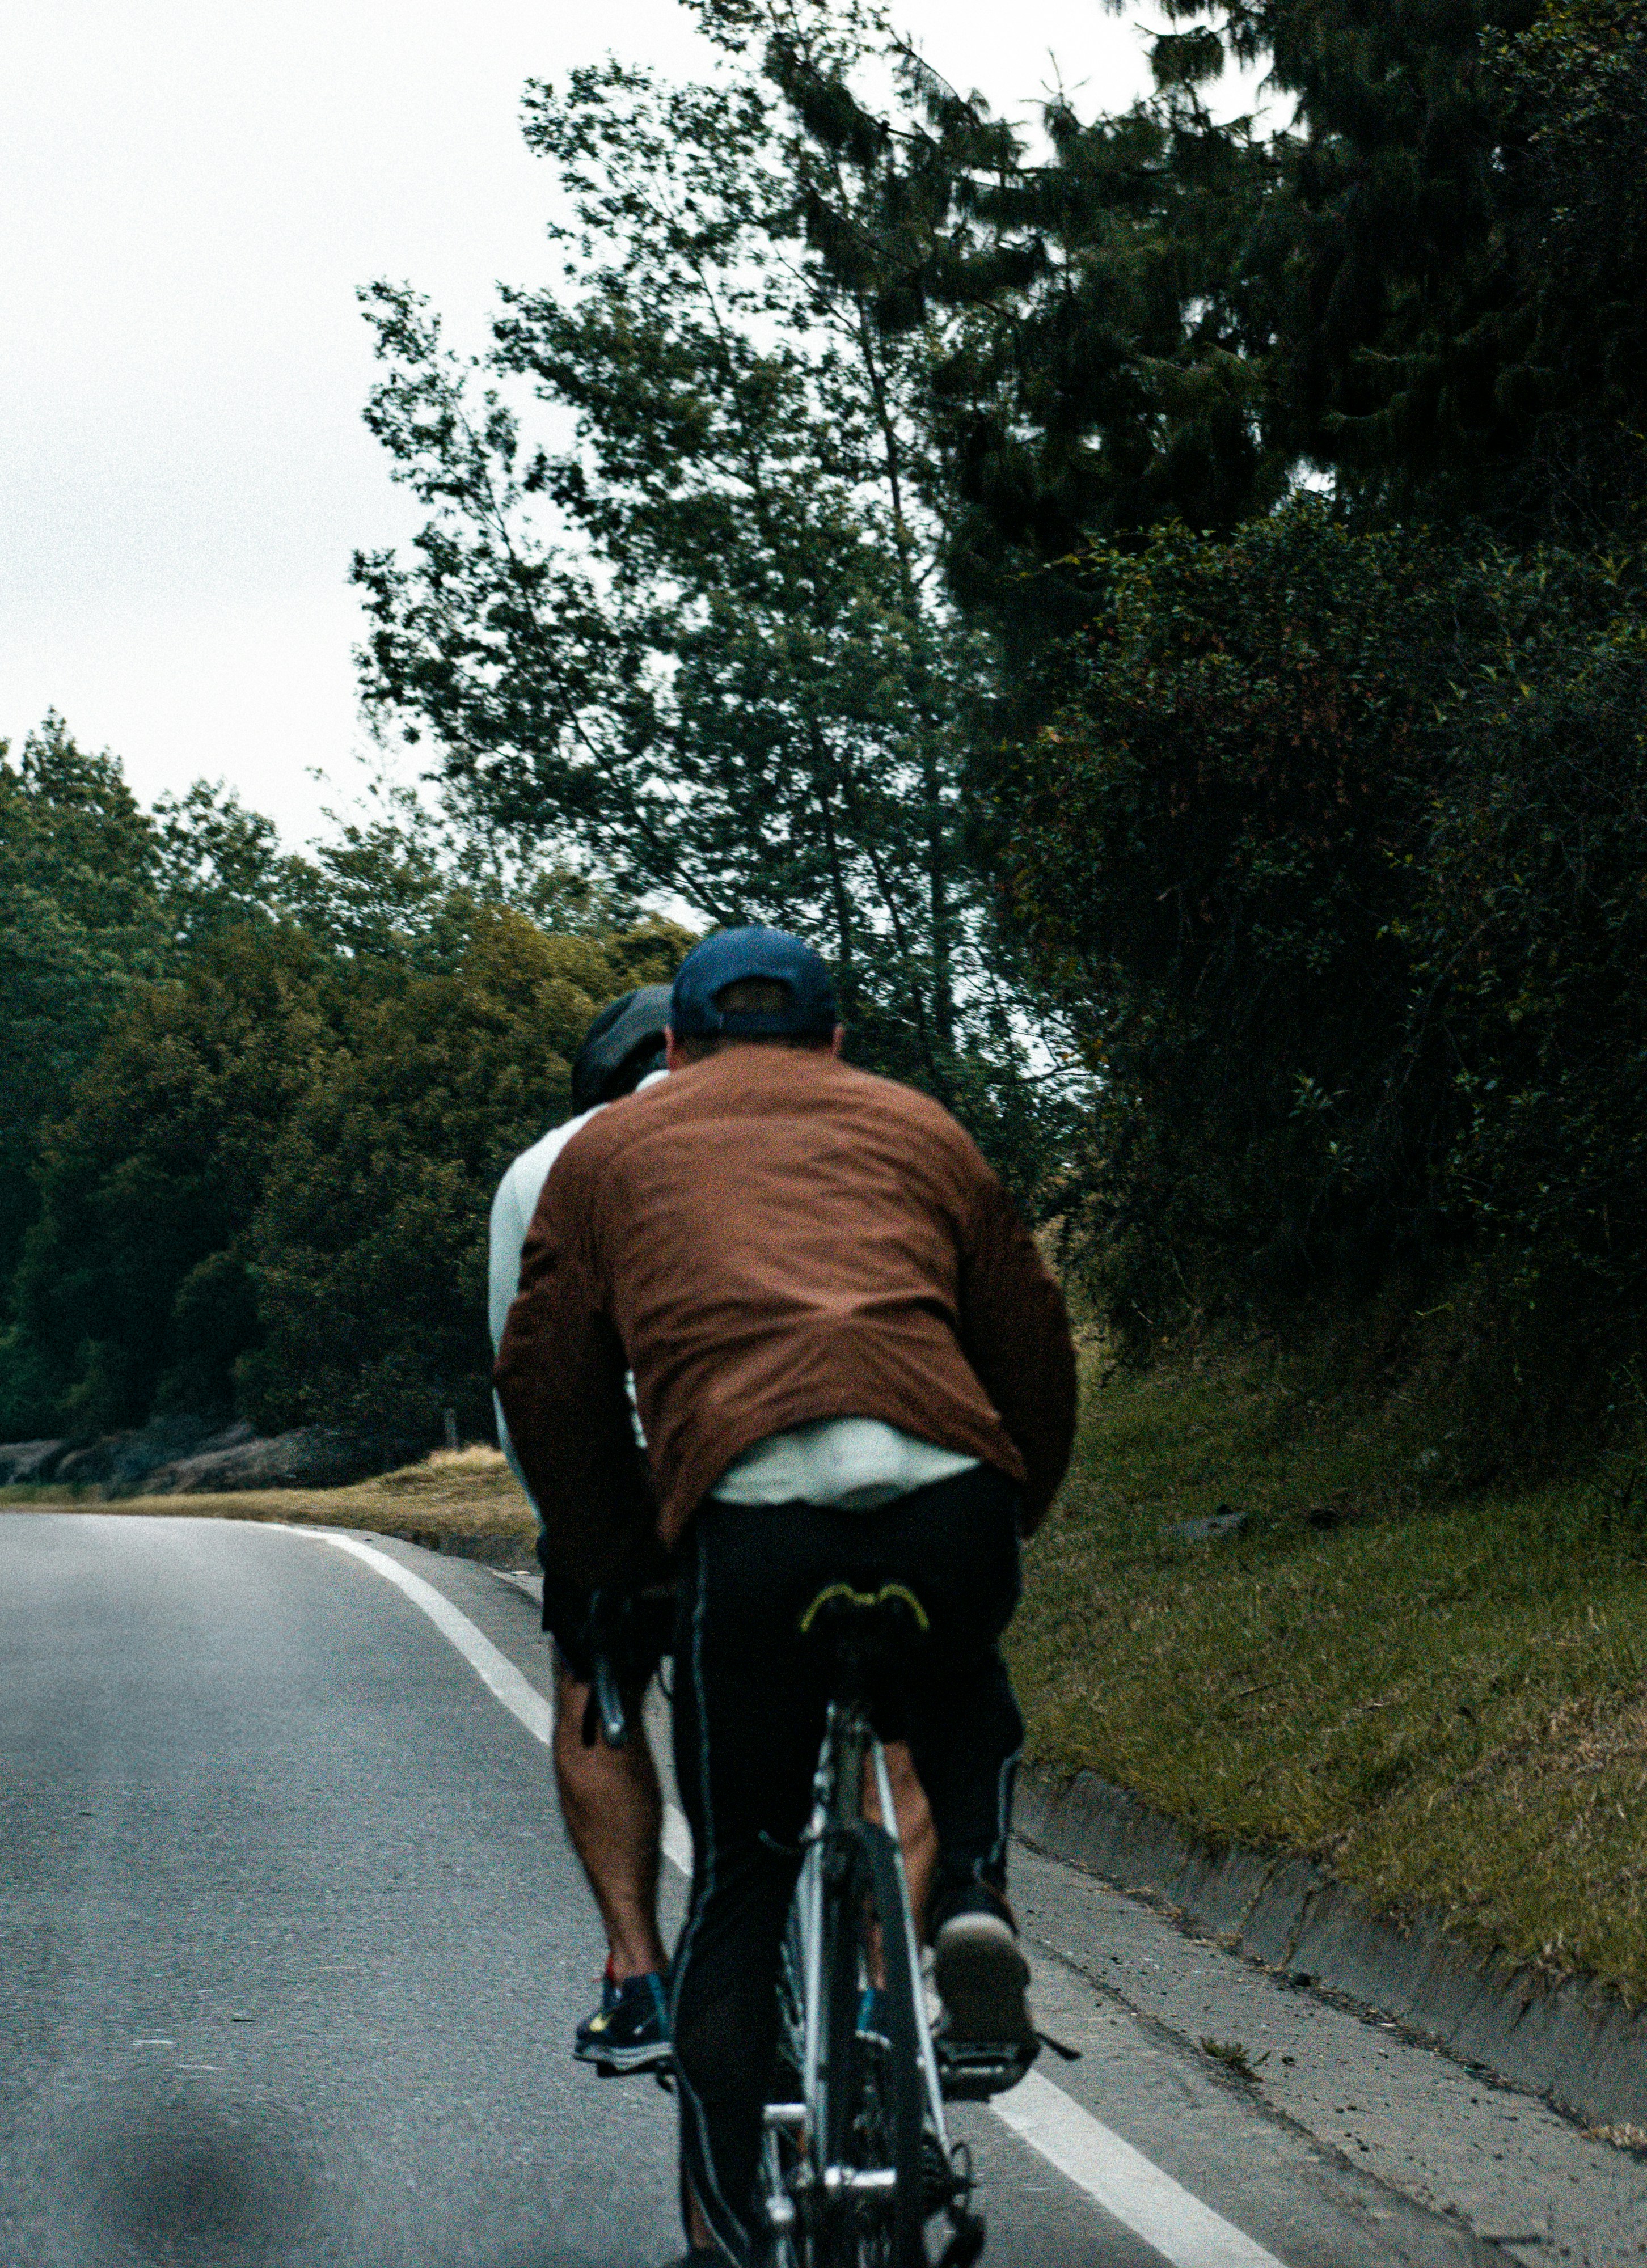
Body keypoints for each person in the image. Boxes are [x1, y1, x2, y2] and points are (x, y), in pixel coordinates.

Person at [496, 928, 1077, 2268]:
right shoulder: (919, 1127)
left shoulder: (603, 1155)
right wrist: (1015, 1503)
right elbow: (1029, 1335)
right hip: (941, 1493)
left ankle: (725, 2238)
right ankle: (972, 1891)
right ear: (831, 1039)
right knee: (958, 1688)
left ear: (679, 1045)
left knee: (746, 1881)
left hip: (750, 1521)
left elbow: (550, 1381)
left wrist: (616, 1554)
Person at [488, 985, 677, 2075]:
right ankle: (893, 1971)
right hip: (849, 1478)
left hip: (646, 1480)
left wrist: (572, 1525)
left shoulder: (550, 1164)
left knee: (590, 1669)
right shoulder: (841, 1128)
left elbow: (532, 1381)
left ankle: (636, 1963)